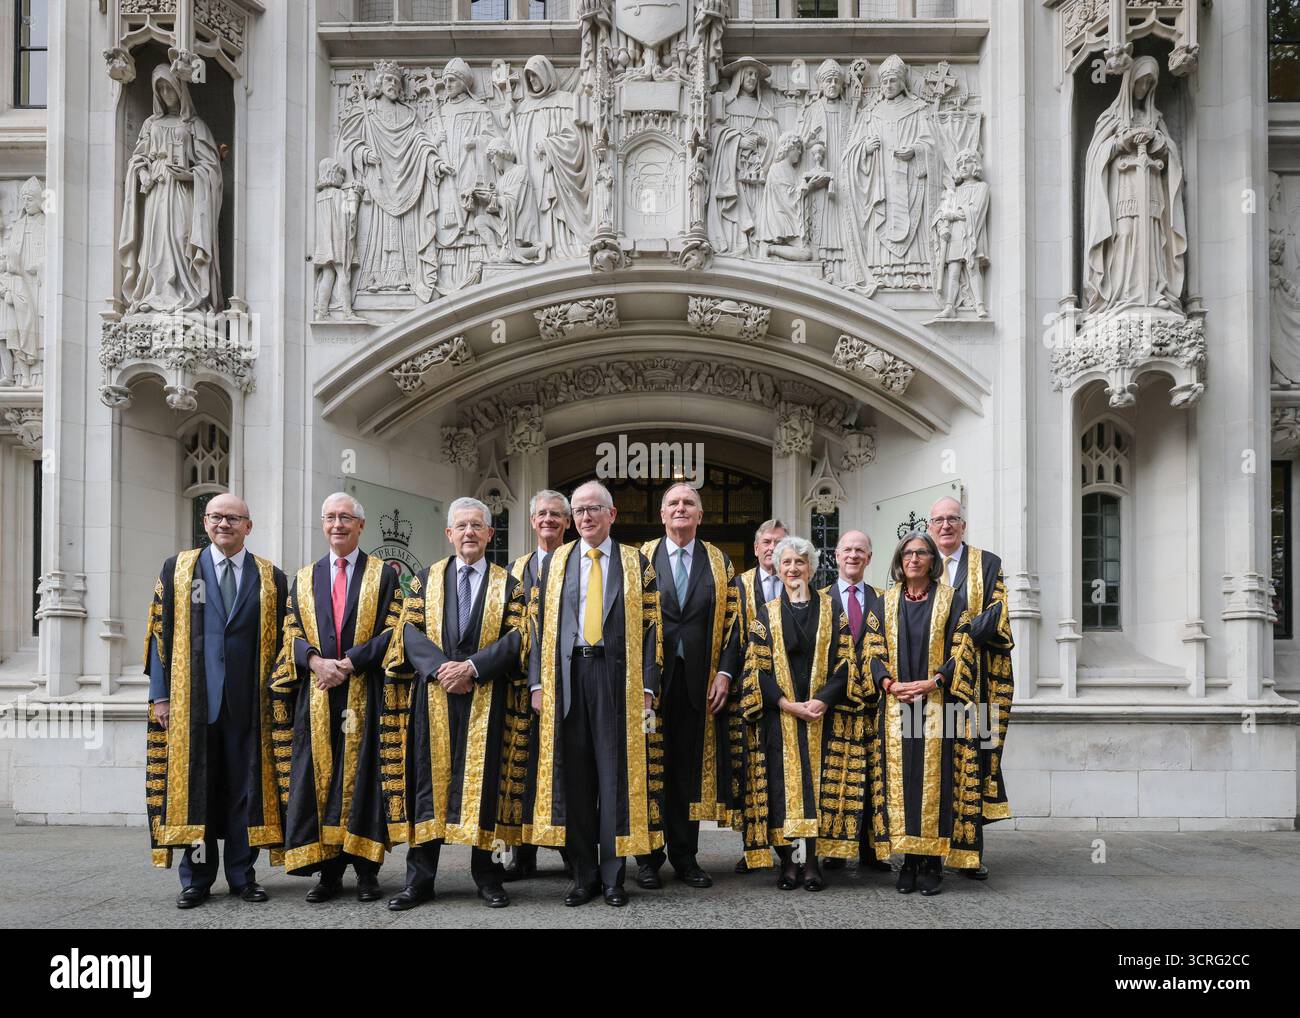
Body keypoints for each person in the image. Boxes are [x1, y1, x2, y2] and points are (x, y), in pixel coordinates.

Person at [382, 497, 528, 911]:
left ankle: (488, 876)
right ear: (449, 533)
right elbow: (406, 629)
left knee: (486, 785)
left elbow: (519, 636)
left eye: (477, 526)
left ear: (489, 534)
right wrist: (442, 669)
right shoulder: (423, 581)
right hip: (434, 696)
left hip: (488, 695)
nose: (469, 532)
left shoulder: (510, 584)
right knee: (429, 783)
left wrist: (473, 668)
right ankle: (419, 880)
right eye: (461, 526)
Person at [524, 480, 664, 907]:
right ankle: (583, 876)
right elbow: (534, 627)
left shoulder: (638, 564)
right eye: (579, 510)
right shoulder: (556, 562)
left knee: (614, 777)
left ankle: (613, 878)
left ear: (612, 515)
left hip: (615, 677)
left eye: (593, 509)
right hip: (567, 677)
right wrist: (537, 683)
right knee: (577, 777)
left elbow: (654, 628)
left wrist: (647, 688)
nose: (585, 517)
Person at [144, 494, 288, 908]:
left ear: (249, 525)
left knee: (246, 790)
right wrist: (160, 696)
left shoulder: (270, 577)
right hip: (193, 704)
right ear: (205, 522)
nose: (223, 524)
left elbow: (283, 641)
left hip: (250, 705)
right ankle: (197, 880)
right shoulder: (178, 569)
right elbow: (158, 634)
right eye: (215, 517)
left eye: (233, 518)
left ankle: (243, 876)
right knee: (198, 788)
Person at [269, 492, 404, 902]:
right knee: (318, 779)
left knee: (365, 777)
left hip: (366, 690)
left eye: (346, 517)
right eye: (330, 517)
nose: (337, 525)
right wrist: (314, 662)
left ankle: (366, 871)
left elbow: (395, 628)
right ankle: (328, 873)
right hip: (318, 694)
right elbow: (290, 629)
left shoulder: (384, 574)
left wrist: (349, 663)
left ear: (361, 525)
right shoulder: (305, 576)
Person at [740, 535, 869, 892]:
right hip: (780, 715)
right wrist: (783, 702)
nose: (793, 569)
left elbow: (846, 661)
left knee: (816, 788)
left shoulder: (832, 610)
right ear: (778, 570)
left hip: (820, 716)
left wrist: (824, 699)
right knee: (783, 789)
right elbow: (755, 668)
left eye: (800, 562)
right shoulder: (765, 614)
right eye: (786, 563)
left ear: (811, 568)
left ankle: (811, 863)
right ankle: (789, 864)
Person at [861, 529, 980, 896]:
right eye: (908, 554)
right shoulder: (885, 601)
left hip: (935, 703)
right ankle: (909, 860)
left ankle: (932, 863)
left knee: (934, 780)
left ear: (932, 561)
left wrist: (935, 682)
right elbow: (870, 649)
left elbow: (963, 648)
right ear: (899, 561)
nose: (914, 559)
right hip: (897, 704)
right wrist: (889, 685)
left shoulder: (951, 600)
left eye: (921, 553)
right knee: (903, 781)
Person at [634, 483, 741, 891]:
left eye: (689, 504)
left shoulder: (718, 561)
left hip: (699, 682)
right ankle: (646, 859)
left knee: (685, 771)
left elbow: (734, 625)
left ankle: (685, 856)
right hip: (649, 686)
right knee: (646, 768)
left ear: (700, 515)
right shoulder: (640, 558)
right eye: (673, 503)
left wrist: (725, 674)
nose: (681, 508)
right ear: (662, 515)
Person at [929, 496, 1015, 879]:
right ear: (930, 526)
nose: (945, 526)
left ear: (963, 525)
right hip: (929, 685)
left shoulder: (988, 563)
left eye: (952, 519)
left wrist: (955, 647)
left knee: (972, 762)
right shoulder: (918, 561)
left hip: (975, 685)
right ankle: (929, 849)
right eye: (939, 520)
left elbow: (995, 616)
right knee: (932, 760)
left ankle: (969, 853)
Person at [503, 489, 573, 881]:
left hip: (567, 686)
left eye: (556, 515)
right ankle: (522, 854)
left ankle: (570, 850)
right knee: (521, 770)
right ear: (532, 522)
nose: (548, 520)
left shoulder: (579, 563)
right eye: (541, 514)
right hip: (519, 688)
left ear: (566, 522)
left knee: (566, 769)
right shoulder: (516, 570)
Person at [338, 60, 451, 301]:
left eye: (396, 81)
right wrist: (364, 153)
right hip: (376, 182)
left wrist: (435, 162)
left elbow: (420, 142)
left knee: (402, 234)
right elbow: (347, 145)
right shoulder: (367, 111)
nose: (392, 84)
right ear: (379, 83)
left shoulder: (408, 114)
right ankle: (373, 279)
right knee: (377, 231)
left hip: (406, 181)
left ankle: (403, 278)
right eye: (388, 80)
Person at [1083, 55, 1186, 314]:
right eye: (1141, 82)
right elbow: (1094, 157)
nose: (1144, 88)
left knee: (1152, 236)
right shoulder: (1111, 118)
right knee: (1126, 233)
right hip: (1123, 187)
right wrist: (1121, 143)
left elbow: (1172, 154)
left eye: (1150, 84)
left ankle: (1153, 291)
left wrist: (1157, 141)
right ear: (1130, 82)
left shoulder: (1154, 119)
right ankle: (1121, 294)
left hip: (1150, 184)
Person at [118, 64, 223, 314]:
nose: (166, 93)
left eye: (169, 88)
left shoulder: (194, 125)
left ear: (180, 89)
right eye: (161, 89)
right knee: (155, 244)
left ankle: (186, 291)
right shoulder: (150, 124)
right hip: (156, 190)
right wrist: (143, 174)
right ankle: (155, 291)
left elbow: (211, 167)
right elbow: (137, 158)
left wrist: (191, 175)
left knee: (179, 236)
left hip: (183, 192)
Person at [821, 529, 892, 875]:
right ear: (836, 555)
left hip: (877, 705)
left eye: (860, 550)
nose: (853, 555)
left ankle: (873, 849)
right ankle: (834, 848)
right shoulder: (820, 600)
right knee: (837, 778)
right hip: (837, 706)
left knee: (875, 777)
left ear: (869, 558)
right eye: (847, 549)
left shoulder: (885, 600)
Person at [731, 518, 785, 874]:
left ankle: (791, 848)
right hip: (748, 695)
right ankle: (755, 850)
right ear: (755, 548)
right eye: (766, 542)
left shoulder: (804, 586)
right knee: (753, 775)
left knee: (786, 774)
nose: (772, 548)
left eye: (779, 542)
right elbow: (728, 639)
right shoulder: (738, 586)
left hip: (790, 697)